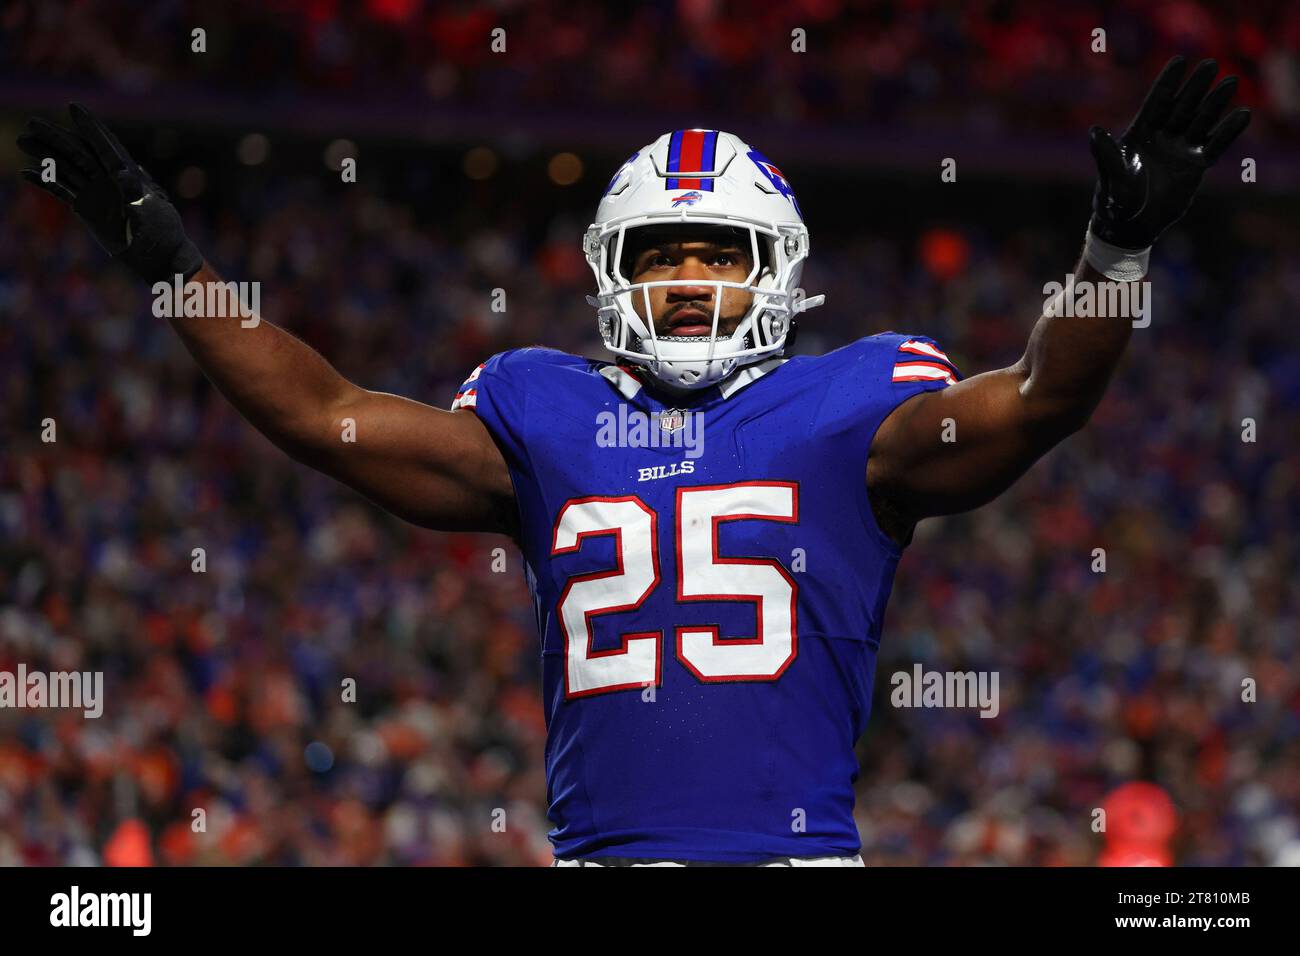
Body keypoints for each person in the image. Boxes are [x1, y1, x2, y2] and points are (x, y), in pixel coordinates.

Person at [17, 57, 1249, 866]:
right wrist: (170, 262)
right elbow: (318, 411)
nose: (694, 278)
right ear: (616, 271)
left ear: (776, 269)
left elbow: (1040, 400)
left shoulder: (851, 404)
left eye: (719, 252)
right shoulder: (539, 411)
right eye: (667, 252)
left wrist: (1112, 253)